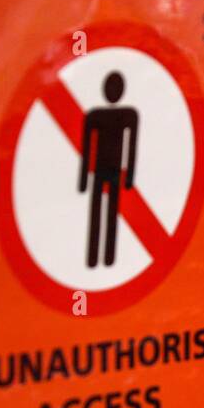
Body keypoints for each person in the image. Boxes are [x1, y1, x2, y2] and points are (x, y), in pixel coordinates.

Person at [77, 72, 139, 267]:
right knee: (98, 213)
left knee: (110, 214)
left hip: (110, 172)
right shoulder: (96, 116)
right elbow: (87, 149)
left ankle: (106, 258)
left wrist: (128, 176)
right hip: (102, 171)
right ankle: (95, 257)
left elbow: (131, 146)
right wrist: (83, 180)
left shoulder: (128, 115)